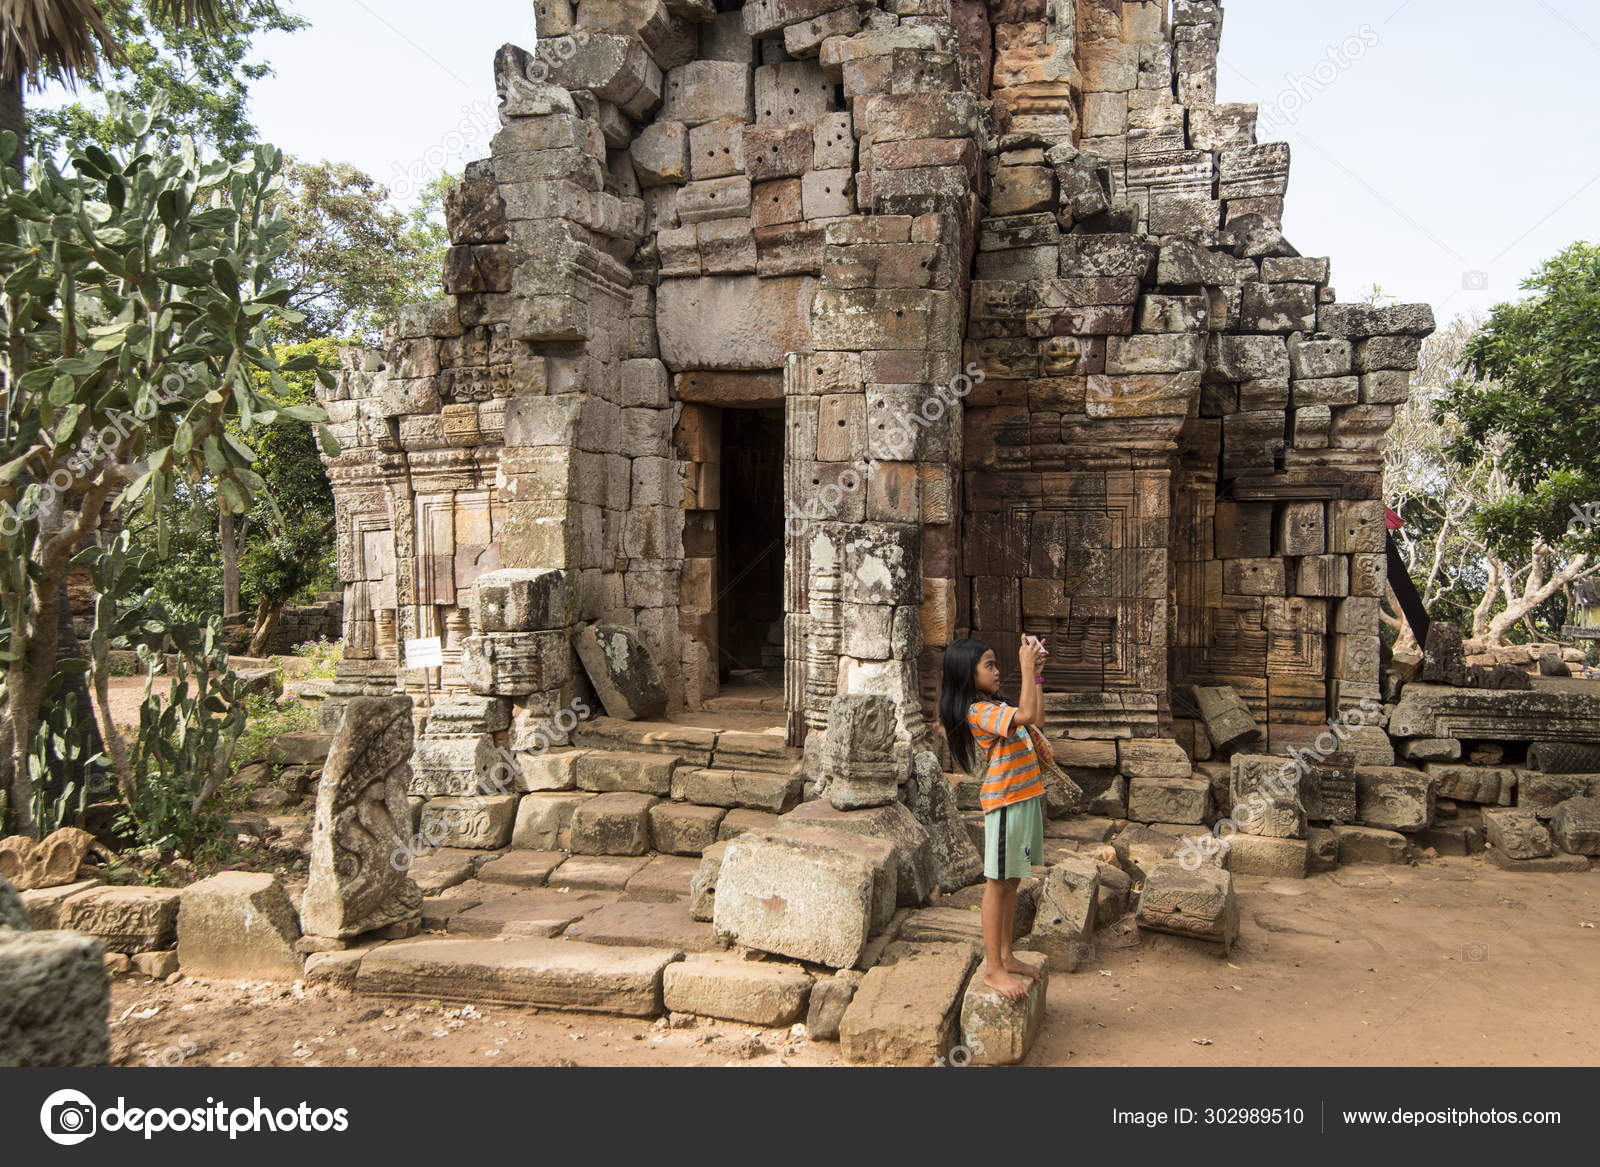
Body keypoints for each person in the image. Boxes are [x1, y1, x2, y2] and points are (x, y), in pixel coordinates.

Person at [938, 634, 1048, 1002]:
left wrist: (1037, 675)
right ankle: (992, 968)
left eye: (996, 664)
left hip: (1023, 796)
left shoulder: (994, 704)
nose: (997, 671)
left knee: (1012, 881)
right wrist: (1026, 667)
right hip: (1005, 802)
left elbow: (1036, 719)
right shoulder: (978, 711)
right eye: (989, 665)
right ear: (967, 674)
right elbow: (1027, 714)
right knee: (997, 884)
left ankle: (1005, 954)